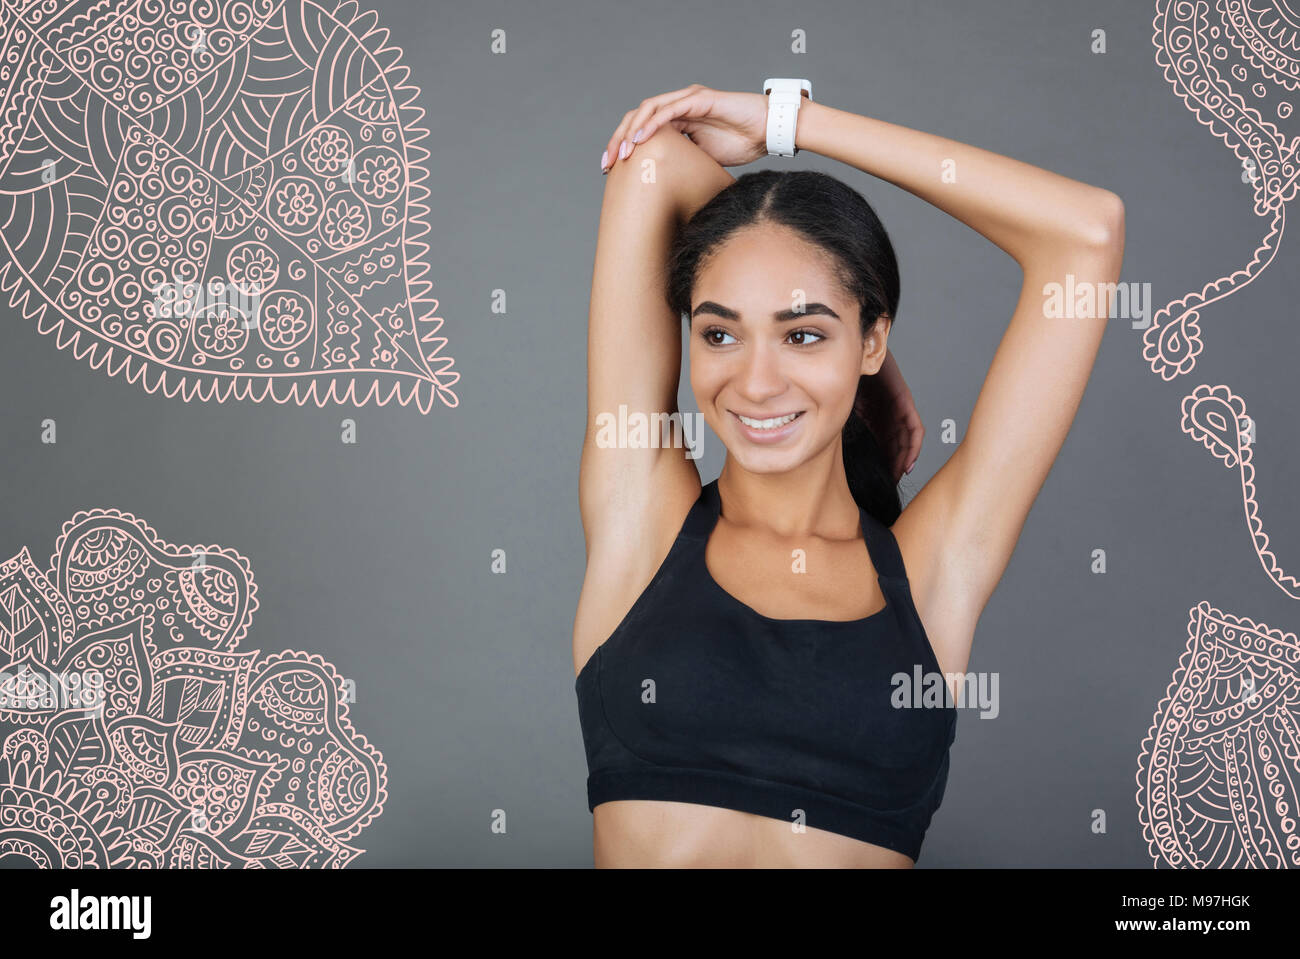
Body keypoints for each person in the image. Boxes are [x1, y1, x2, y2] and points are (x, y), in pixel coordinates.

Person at [574, 83, 1125, 867]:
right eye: (722, 333)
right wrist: (848, 346)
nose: (758, 383)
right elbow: (653, 162)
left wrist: (786, 122)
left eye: (801, 335)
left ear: (872, 338)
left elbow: (1086, 233)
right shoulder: (642, 520)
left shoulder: (932, 577)